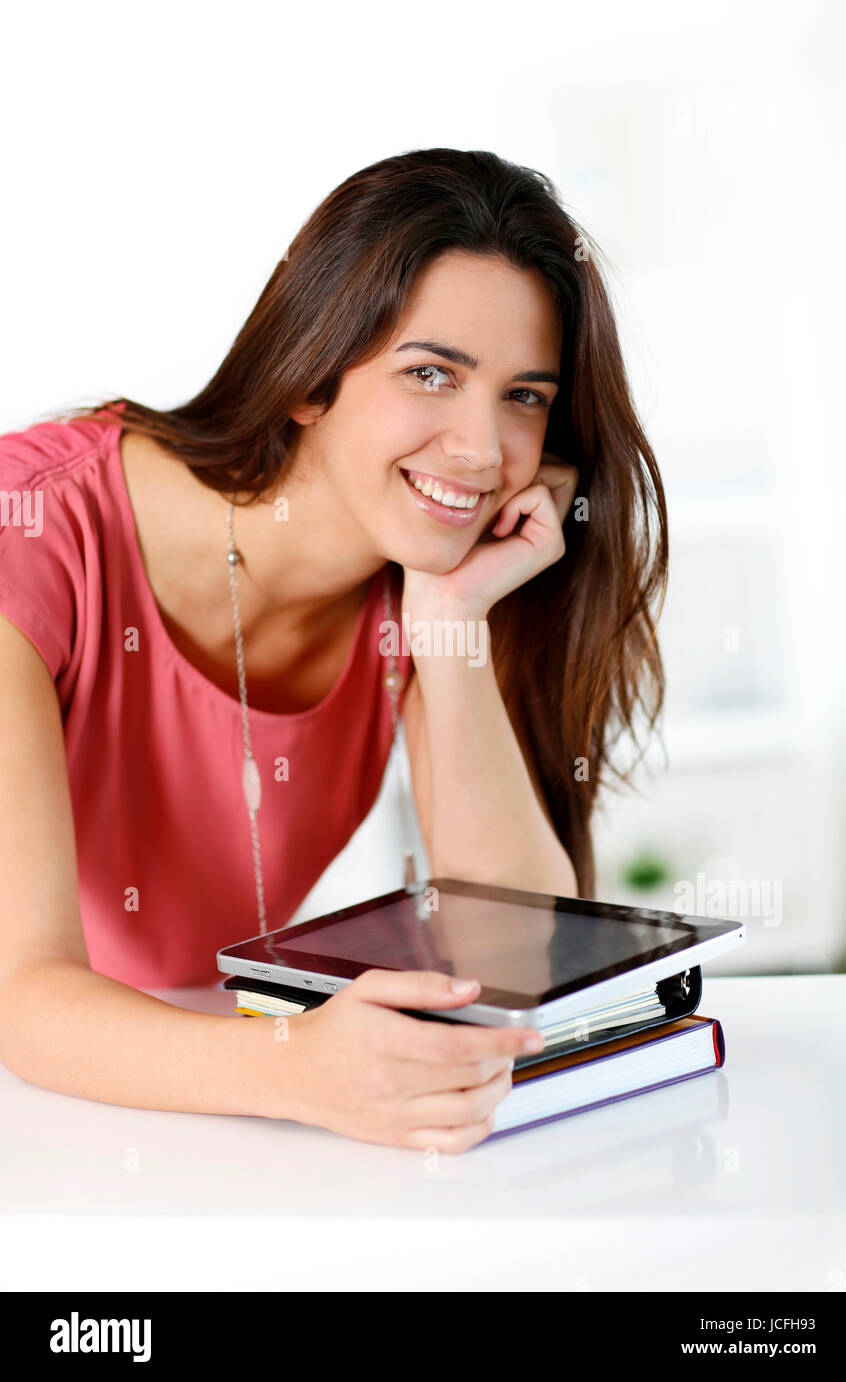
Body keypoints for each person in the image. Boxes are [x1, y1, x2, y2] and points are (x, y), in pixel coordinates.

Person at [0, 147, 667, 1152]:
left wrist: (448, 615)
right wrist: (297, 1068)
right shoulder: (36, 528)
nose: (482, 452)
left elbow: (523, 949)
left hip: (172, 1126)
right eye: (430, 373)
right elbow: (23, 994)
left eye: (522, 396)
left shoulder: (413, 586)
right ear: (311, 374)